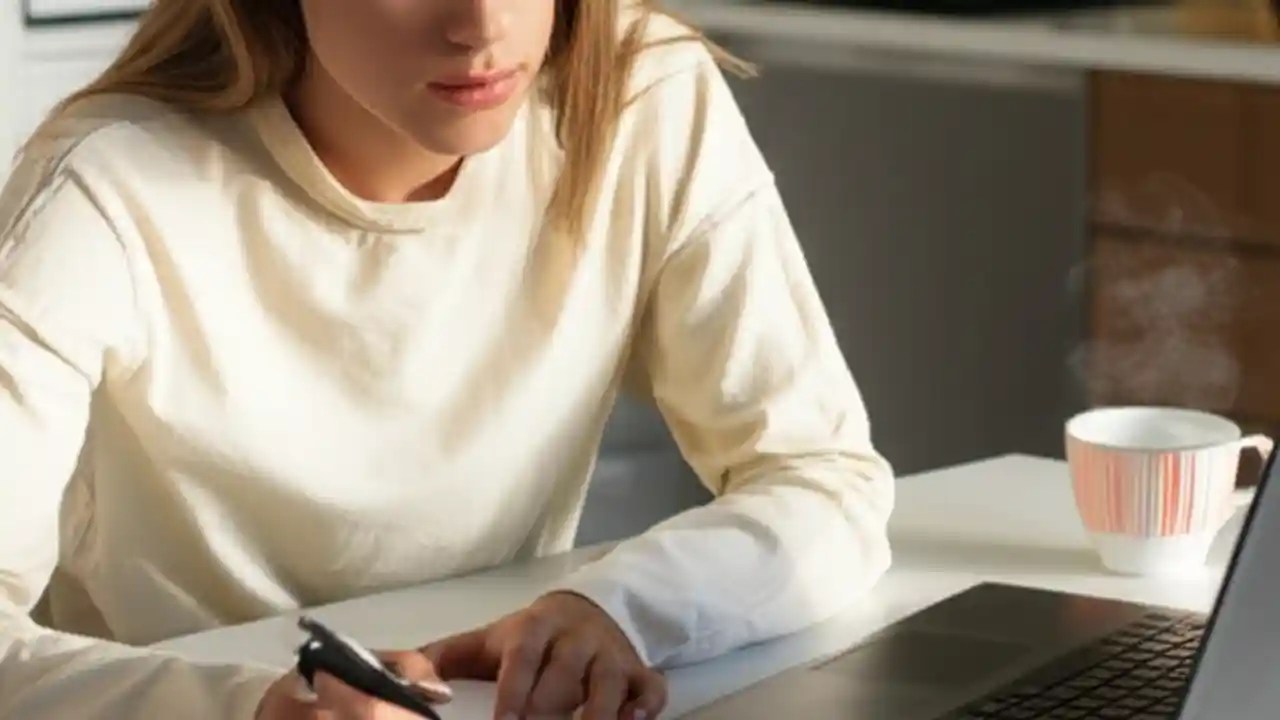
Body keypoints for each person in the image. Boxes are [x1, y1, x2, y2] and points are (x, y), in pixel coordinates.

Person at [0, 0, 895, 718]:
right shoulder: (104, 187)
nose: (480, 24)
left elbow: (823, 477)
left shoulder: (635, 93)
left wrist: (617, 608)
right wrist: (252, 707)